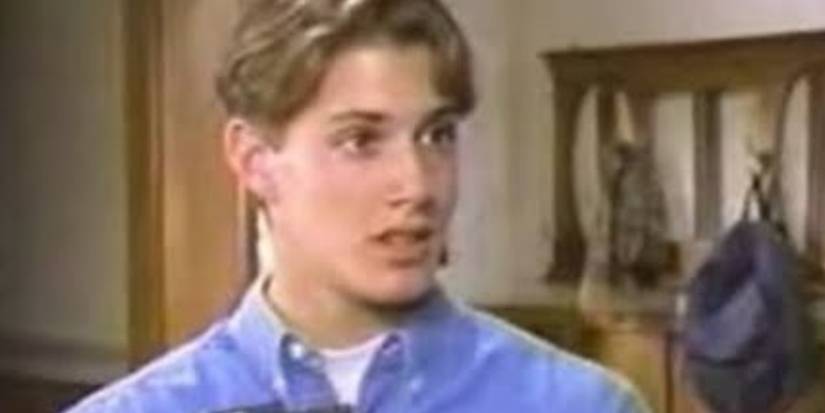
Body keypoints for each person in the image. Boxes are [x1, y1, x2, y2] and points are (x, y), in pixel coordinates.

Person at [67, 0, 650, 411]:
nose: (416, 185)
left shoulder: (579, 404)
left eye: (437, 135)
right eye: (360, 141)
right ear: (254, 161)